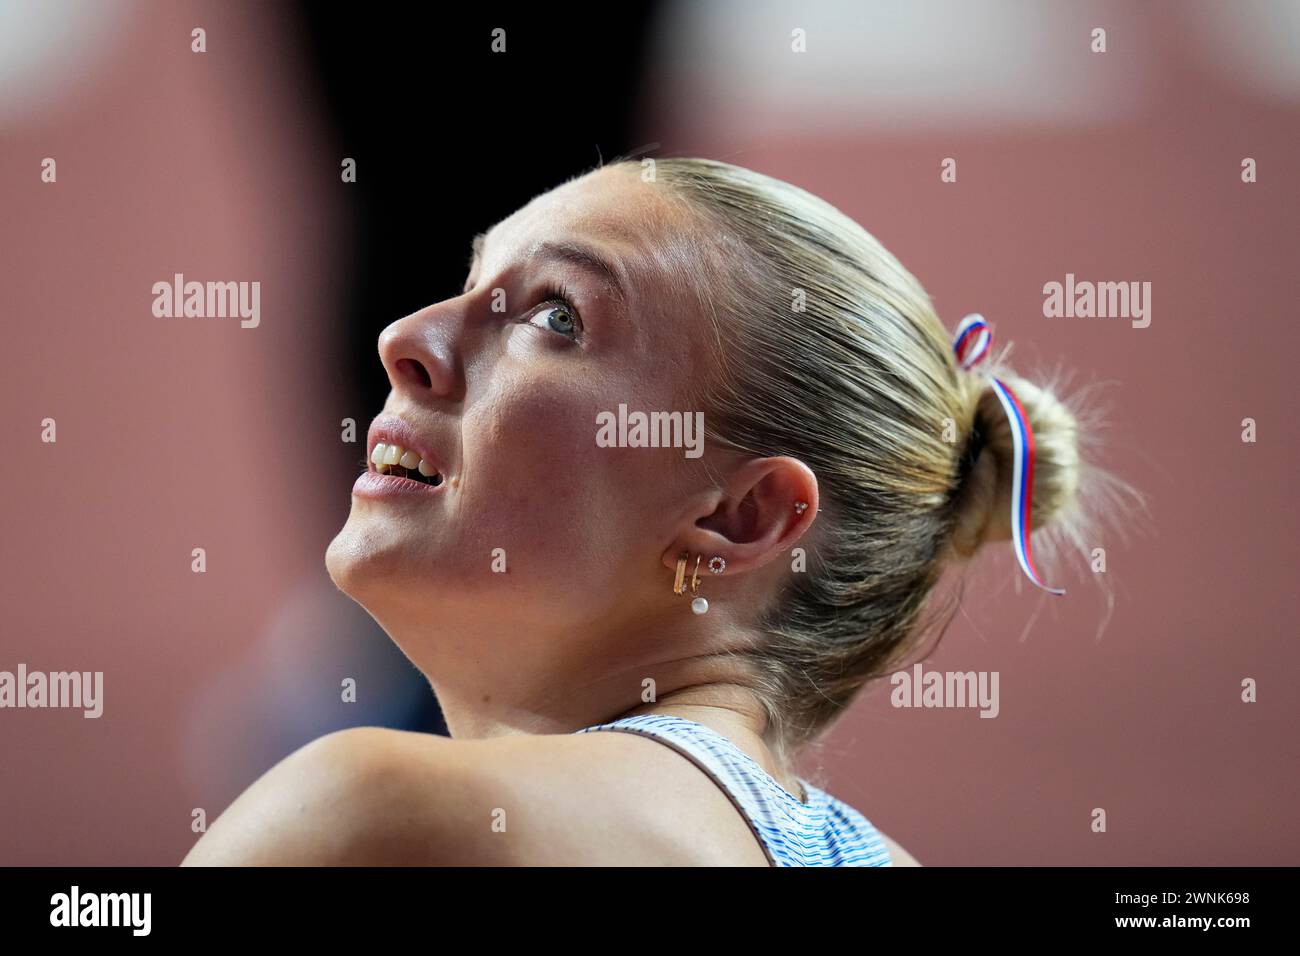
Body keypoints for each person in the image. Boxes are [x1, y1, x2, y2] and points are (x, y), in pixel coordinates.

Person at [183, 157, 1097, 866]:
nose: (406, 340)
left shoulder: (374, 814)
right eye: (470, 281)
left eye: (556, 318)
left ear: (742, 518)